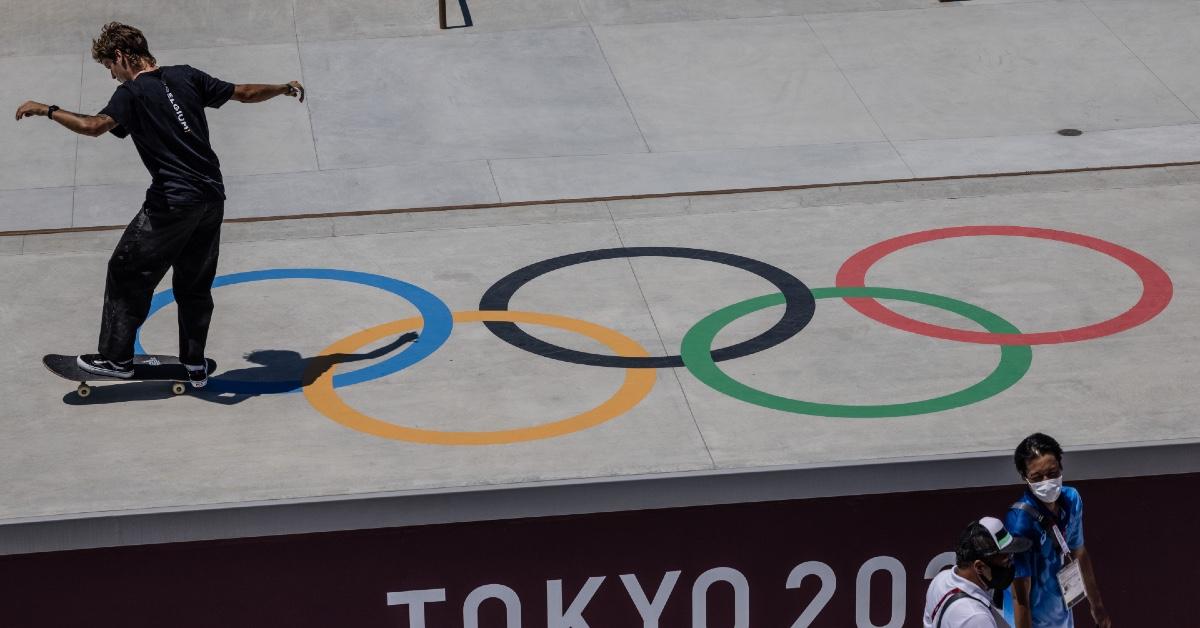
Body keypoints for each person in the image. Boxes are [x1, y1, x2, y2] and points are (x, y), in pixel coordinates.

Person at [15, 22, 305, 387]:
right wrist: (283, 87)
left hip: (171, 203)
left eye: (109, 67)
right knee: (194, 284)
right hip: (211, 198)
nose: (112, 76)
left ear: (120, 56)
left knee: (126, 271)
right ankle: (195, 365)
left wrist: (47, 109)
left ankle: (115, 359)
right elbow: (244, 92)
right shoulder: (187, 76)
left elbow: (92, 126)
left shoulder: (131, 93)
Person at [1005, 433, 1111, 628]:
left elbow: (1079, 552)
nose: (1047, 481)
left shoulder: (1072, 500)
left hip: (1061, 614)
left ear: (1061, 466)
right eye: (1037, 477)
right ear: (1024, 477)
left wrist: (1097, 606)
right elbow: (1020, 596)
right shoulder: (1020, 522)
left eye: (1052, 473)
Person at [925, 516, 1031, 628]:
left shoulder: (940, 579)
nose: (1011, 565)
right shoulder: (976, 618)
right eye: (1006, 561)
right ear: (980, 567)